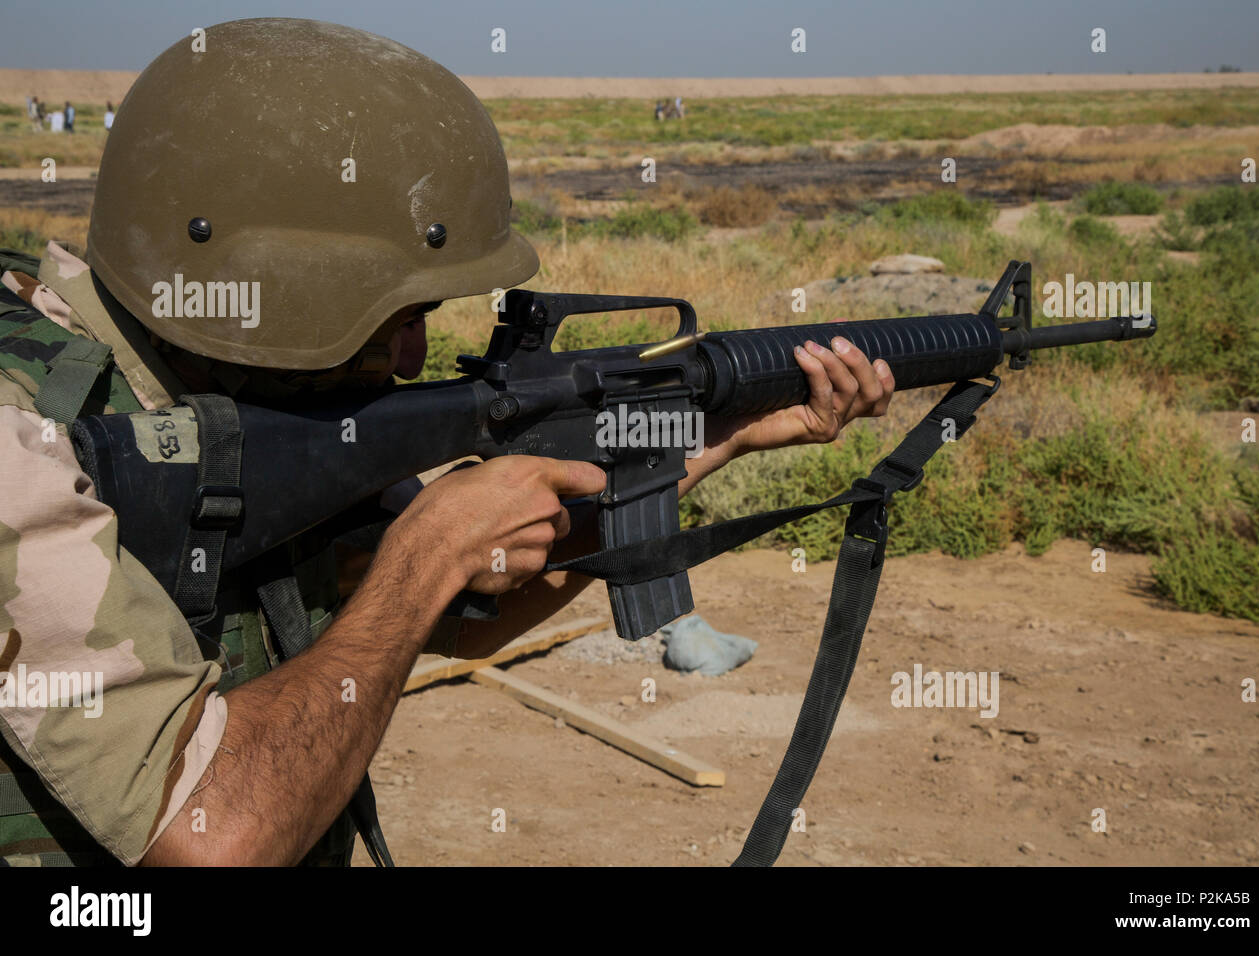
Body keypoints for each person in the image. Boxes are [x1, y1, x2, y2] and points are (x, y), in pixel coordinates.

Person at [0, 18, 893, 867]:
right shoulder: (21, 444)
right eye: (401, 316)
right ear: (279, 286)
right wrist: (427, 551)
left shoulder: (228, 407)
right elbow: (211, 838)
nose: (416, 355)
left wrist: (708, 438)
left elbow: (471, 614)